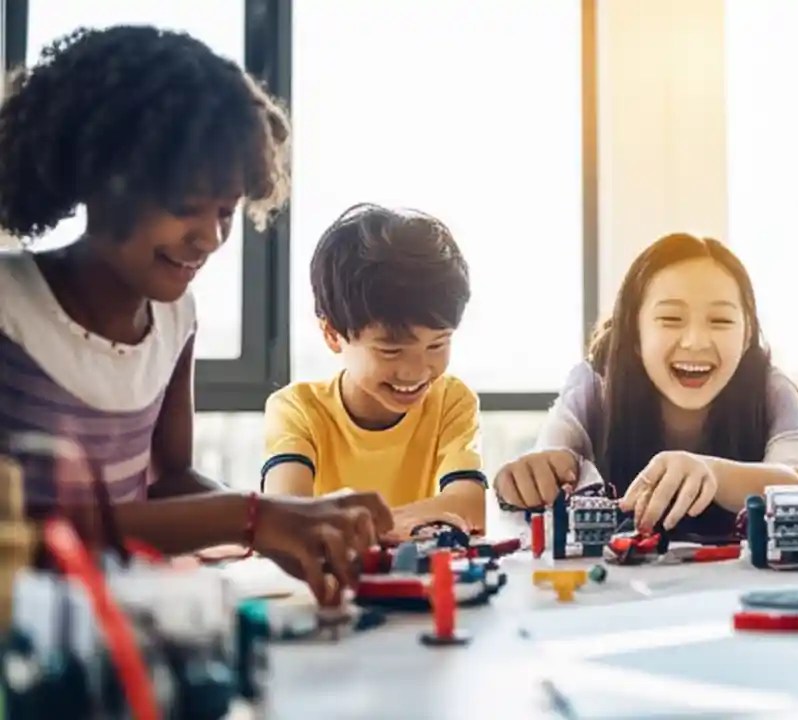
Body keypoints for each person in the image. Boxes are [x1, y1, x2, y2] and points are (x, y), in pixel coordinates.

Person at [0, 25, 388, 601]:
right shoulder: (10, 307)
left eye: (226, 212)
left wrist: (287, 526)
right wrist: (255, 516)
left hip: (116, 625)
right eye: (185, 208)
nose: (209, 238)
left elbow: (167, 480)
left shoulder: (175, 316)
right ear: (101, 180)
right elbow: (23, 531)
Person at [493, 233, 798, 537]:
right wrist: (528, 478)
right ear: (634, 333)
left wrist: (713, 473)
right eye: (670, 319)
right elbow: (550, 457)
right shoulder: (594, 387)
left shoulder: (770, 390)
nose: (695, 342)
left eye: (721, 321)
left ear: (747, 335)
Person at [262, 204, 484, 537]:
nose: (415, 371)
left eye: (437, 345)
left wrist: (367, 526)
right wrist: (401, 524)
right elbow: (287, 516)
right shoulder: (297, 409)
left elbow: (471, 506)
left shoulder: (451, 401)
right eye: (390, 350)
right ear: (332, 334)